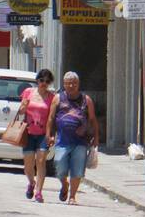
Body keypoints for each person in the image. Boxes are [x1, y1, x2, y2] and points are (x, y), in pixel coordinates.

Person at [51, 71, 99, 205]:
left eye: (74, 83)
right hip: (62, 141)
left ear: (78, 84)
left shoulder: (86, 100)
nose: (71, 85)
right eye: (68, 83)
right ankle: (64, 184)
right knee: (60, 168)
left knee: (77, 170)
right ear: (64, 84)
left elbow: (93, 120)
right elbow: (51, 118)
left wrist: (96, 137)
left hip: (81, 142)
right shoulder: (58, 98)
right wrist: (49, 135)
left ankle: (72, 197)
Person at [20, 69, 57, 203]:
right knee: (28, 164)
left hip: (43, 134)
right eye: (42, 80)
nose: (44, 83)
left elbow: (52, 118)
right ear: (37, 80)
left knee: (41, 162)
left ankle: (39, 192)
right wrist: (23, 107)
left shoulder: (52, 98)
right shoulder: (28, 92)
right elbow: (21, 111)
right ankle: (31, 183)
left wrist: (51, 135)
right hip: (28, 132)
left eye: (47, 81)